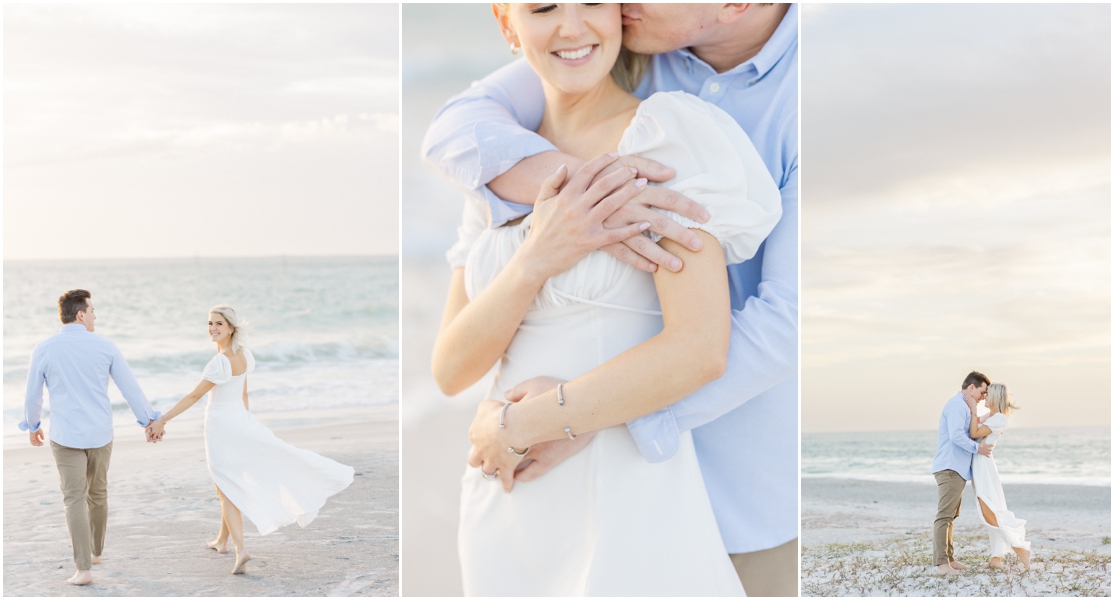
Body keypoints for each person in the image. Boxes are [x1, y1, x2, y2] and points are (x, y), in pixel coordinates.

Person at [423, 4, 798, 594]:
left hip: (623, 489)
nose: (572, 26)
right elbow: (449, 370)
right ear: (505, 23)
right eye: (543, 6)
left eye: (595, 0)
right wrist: (536, 257)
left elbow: (702, 349)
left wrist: (543, 420)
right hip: (507, 494)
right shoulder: (502, 161)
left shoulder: (670, 136)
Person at [146, 304, 354, 575]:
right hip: (239, 422)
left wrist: (162, 420)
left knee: (224, 486)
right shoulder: (244, 356)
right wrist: (247, 424)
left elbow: (194, 397)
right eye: (210, 323)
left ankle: (240, 549)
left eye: (218, 324)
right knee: (228, 482)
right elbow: (243, 394)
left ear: (231, 328)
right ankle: (221, 541)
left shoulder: (219, 362)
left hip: (221, 427)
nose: (212, 328)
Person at [20, 289, 164, 586]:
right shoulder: (105, 346)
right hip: (100, 434)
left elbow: (33, 394)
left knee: (74, 499)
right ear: (80, 314)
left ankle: (83, 568)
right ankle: (96, 552)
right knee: (97, 494)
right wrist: (148, 420)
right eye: (93, 310)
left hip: (65, 435)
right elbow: (129, 387)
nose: (96, 316)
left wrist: (33, 424)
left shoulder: (44, 348)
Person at [931, 371, 996, 575]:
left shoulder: (966, 407)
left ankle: (950, 559)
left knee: (952, 515)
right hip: (950, 467)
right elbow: (957, 436)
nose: (984, 397)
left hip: (956, 468)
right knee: (944, 516)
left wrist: (991, 414)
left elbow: (970, 428)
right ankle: (942, 565)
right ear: (971, 388)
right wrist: (979, 449)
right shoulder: (958, 405)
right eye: (982, 392)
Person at [968, 382, 1031, 570]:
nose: (984, 398)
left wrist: (972, 409)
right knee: (990, 511)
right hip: (980, 465)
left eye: (987, 395)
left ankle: (1019, 548)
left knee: (990, 512)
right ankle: (996, 559)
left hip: (984, 467)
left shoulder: (999, 419)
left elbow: (973, 432)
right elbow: (972, 427)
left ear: (995, 397)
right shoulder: (992, 416)